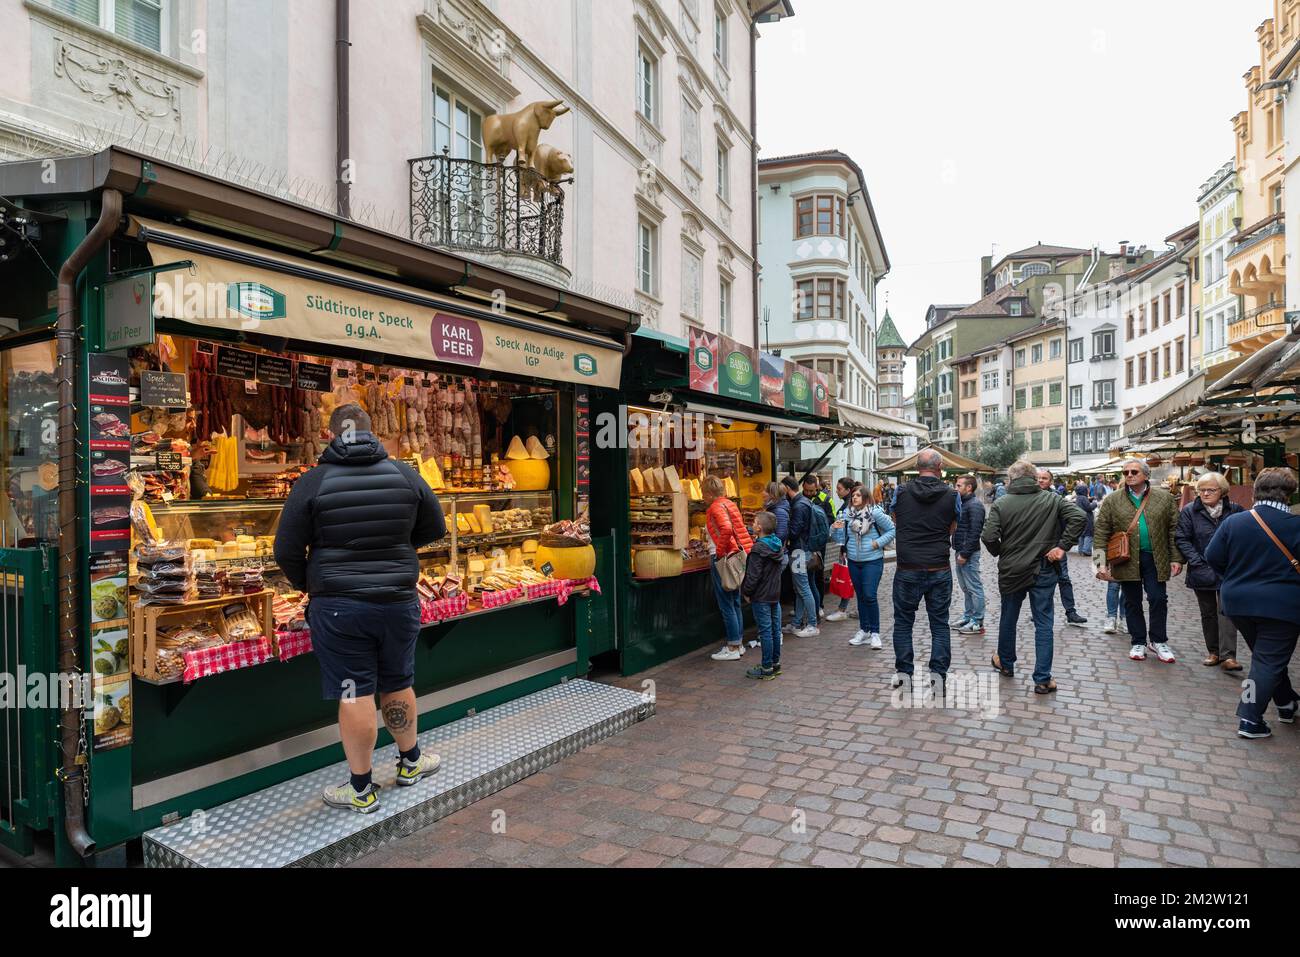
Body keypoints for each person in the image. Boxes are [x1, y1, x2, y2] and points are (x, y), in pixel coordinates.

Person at [274, 403, 446, 813]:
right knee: (397, 680)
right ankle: (410, 762)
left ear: (331, 434)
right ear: (372, 433)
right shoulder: (406, 474)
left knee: (355, 692)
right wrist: (396, 549)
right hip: (398, 602)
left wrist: (309, 583)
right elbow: (436, 528)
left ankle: (362, 789)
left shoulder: (313, 482)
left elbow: (285, 550)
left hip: (340, 608)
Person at [1206, 467, 1300, 739]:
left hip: (1237, 603)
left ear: (1256, 491)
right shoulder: (1295, 525)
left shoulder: (1234, 522)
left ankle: (1285, 703)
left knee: (1265, 658)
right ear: (1289, 494)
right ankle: (1249, 718)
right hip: (1282, 606)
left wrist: (1235, 577)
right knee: (1268, 660)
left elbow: (1213, 556)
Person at [982, 459, 1085, 694]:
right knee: (1044, 623)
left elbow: (988, 536)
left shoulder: (1002, 502)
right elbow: (1078, 517)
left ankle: (1006, 664)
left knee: (1008, 617)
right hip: (1044, 568)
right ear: (1032, 477)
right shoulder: (1051, 499)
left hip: (1012, 569)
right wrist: (1062, 547)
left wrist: (1001, 551)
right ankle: (1042, 678)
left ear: (1012, 478)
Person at [1094, 458, 1184, 663]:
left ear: (1145, 475)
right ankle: (1138, 641)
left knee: (1158, 598)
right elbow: (1101, 532)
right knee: (1131, 601)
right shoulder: (1113, 499)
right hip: (1125, 558)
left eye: (1134, 472)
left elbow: (1174, 530)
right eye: (1125, 473)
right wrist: (1100, 562)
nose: (1129, 476)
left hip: (1156, 556)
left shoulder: (1164, 498)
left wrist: (1176, 558)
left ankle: (1158, 640)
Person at [890, 449, 960, 691]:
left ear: (917, 466)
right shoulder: (952, 494)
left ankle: (904, 676)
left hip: (907, 566)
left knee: (903, 622)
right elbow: (953, 527)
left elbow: (897, 520)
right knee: (940, 623)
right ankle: (938, 678)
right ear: (939, 466)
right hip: (938, 566)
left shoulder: (900, 491)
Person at [1175, 472, 1245, 672]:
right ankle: (1213, 652)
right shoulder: (1190, 511)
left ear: (1222, 491)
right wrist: (1196, 561)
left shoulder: (1236, 510)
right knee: (1208, 613)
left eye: (1210, 490)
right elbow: (1182, 538)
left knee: (1227, 612)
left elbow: (1244, 536)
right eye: (1201, 490)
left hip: (1228, 571)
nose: (1205, 493)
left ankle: (1228, 656)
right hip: (1202, 569)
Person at [833, 485, 895, 649]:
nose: (854, 497)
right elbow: (837, 537)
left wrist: (878, 543)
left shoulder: (875, 513)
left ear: (866, 498)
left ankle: (875, 633)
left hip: (872, 560)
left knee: (869, 595)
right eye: (853, 495)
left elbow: (892, 529)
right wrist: (834, 529)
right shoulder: (847, 514)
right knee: (860, 596)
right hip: (853, 560)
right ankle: (864, 630)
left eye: (858, 495)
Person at [704, 474, 754, 661]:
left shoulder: (715, 507)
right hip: (738, 555)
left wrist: (718, 552)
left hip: (725, 557)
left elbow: (725, 529)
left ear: (709, 493)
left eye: (704, 493)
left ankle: (733, 646)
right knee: (734, 600)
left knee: (726, 602)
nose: (702, 497)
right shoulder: (730, 504)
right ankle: (738, 644)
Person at [1036, 469, 1088, 626]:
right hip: (1036, 549)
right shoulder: (1029, 499)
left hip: (1056, 547)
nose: (1041, 481)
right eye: (1038, 478)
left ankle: (1070, 612)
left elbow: (1074, 519)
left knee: (1064, 578)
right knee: (1038, 581)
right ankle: (1039, 610)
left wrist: (1063, 544)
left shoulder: (1057, 499)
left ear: (1050, 481)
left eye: (1044, 478)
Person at [741, 510, 786, 681]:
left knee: (765, 631)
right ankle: (775, 664)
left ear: (759, 528)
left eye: (754, 523)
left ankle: (766, 667)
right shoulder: (776, 545)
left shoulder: (758, 549)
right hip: (774, 594)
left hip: (761, 596)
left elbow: (753, 576)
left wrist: (746, 592)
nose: (752, 525)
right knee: (774, 629)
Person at [783, 476, 820, 637]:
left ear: (786, 488)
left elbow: (794, 531)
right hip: (802, 550)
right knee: (800, 589)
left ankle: (812, 624)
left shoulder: (798, 505)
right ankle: (797, 623)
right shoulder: (804, 502)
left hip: (799, 551)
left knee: (803, 589)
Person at [951, 474, 987, 635]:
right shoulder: (963, 503)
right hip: (961, 550)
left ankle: (977, 621)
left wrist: (965, 553)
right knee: (966, 588)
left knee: (974, 587)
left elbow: (975, 532)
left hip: (968, 553)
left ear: (969, 488)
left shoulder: (975, 505)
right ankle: (968, 616)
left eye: (959, 486)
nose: (955, 488)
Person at [826, 478, 862, 622]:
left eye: (839, 488)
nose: (836, 491)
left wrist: (845, 546)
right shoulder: (847, 505)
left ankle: (843, 609)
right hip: (849, 546)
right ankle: (855, 609)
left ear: (848, 490)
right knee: (853, 579)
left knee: (851, 578)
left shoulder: (849, 507)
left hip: (851, 548)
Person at [802, 475, 833, 618]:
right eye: (806, 490)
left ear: (817, 487)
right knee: (805, 577)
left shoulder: (825, 499)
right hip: (804, 544)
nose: (808, 493)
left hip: (818, 544)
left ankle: (819, 605)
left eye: (811, 491)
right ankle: (806, 605)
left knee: (817, 575)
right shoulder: (801, 499)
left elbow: (831, 519)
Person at [1073, 481, 1096, 556]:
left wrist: (1090, 499)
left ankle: (1080, 550)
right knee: (1088, 534)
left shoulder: (1078, 497)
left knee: (1081, 535)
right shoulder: (1083, 498)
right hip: (1087, 519)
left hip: (1080, 518)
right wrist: (1095, 504)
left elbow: (1084, 504)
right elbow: (1089, 507)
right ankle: (1086, 550)